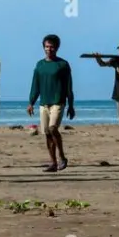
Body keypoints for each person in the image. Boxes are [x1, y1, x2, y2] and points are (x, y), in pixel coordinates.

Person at [27, 33, 75, 172]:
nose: (49, 49)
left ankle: (62, 157)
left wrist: (71, 105)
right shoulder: (40, 65)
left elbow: (69, 87)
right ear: (44, 48)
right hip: (44, 103)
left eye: (52, 47)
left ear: (57, 48)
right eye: (47, 47)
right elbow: (35, 85)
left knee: (53, 128)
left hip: (58, 102)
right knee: (47, 133)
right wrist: (31, 102)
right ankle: (53, 163)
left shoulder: (62, 64)